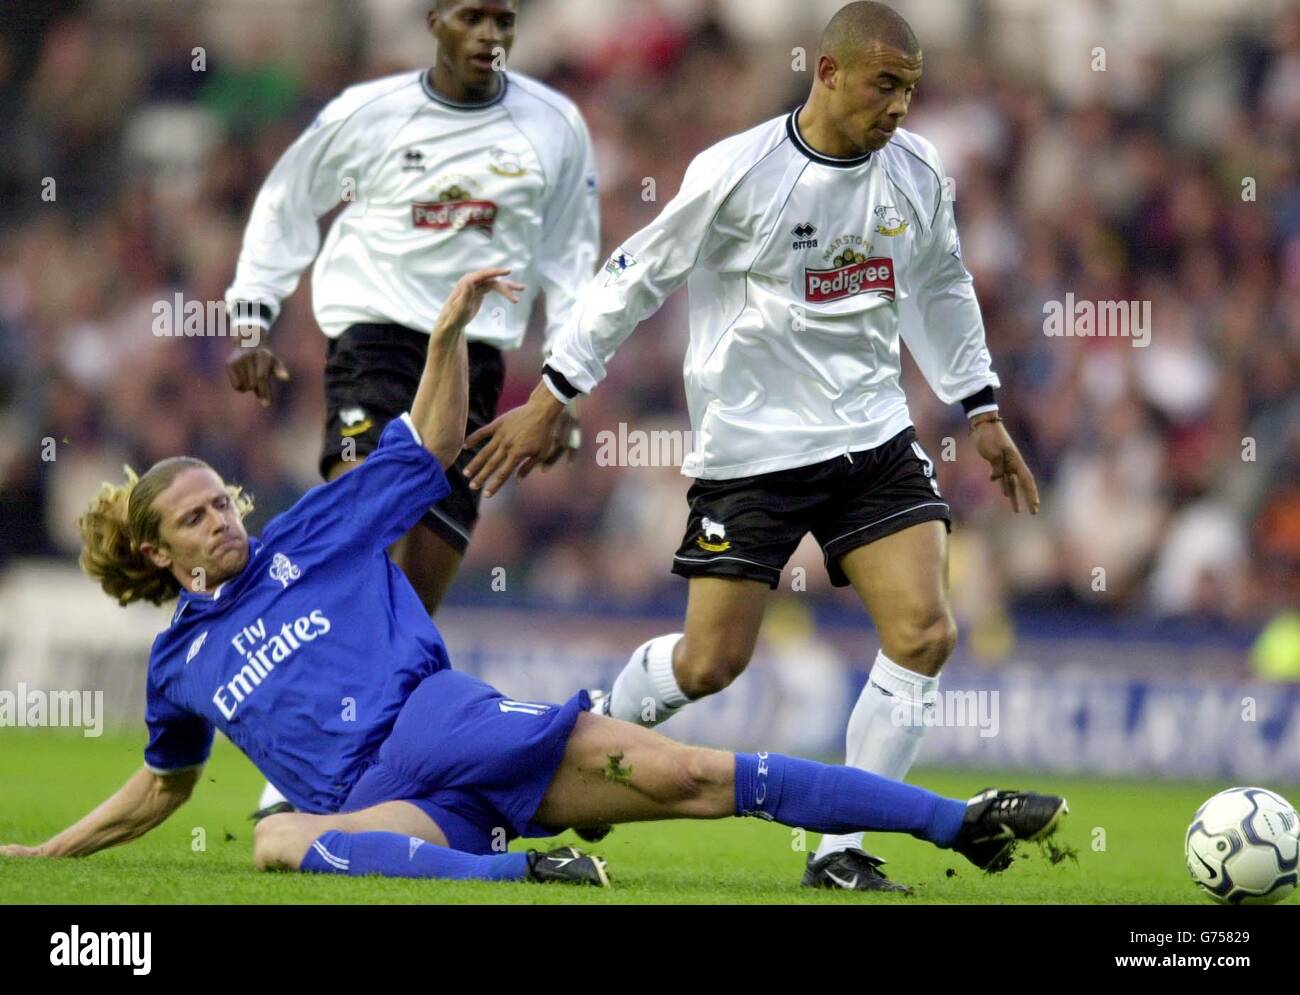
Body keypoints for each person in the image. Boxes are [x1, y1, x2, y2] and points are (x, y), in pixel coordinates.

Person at [0, 270, 1067, 889]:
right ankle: (531, 870)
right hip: (384, 802)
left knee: (692, 777)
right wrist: (52, 848)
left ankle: (952, 817)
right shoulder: (178, 661)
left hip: (446, 723)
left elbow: (423, 442)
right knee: (278, 836)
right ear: (155, 553)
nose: (224, 519)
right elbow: (163, 783)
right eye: (196, 517)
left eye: (223, 500)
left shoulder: (309, 531)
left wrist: (452, 333)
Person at [462, 1, 1041, 892]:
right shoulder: (738, 173)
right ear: (830, 73)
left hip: (871, 437)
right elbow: (636, 275)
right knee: (708, 664)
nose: (899, 107)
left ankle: (839, 849)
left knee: (924, 632)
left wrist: (982, 407)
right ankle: (598, 733)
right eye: (885, 85)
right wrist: (554, 392)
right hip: (753, 455)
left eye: (911, 90)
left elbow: (941, 286)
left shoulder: (920, 172)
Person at [222, 0, 598, 816]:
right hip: (379, 345)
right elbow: (287, 201)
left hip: (476, 360)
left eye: (505, 18)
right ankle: (292, 772)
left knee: (415, 589)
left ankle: (366, 759)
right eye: (473, 16)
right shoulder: (367, 114)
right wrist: (251, 315)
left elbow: (573, 259)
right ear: (433, 20)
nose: (492, 35)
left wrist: (563, 386)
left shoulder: (555, 124)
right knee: (366, 551)